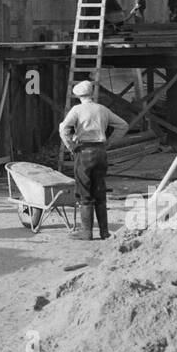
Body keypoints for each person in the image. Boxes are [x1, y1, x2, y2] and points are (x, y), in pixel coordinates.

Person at [58, 79, 129, 241]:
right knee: (99, 191)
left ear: (78, 96)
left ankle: (86, 232)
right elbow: (123, 125)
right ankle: (104, 232)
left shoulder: (77, 110)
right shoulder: (102, 109)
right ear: (91, 93)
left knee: (85, 192)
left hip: (84, 152)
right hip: (101, 152)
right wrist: (110, 142)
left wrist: (71, 146)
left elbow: (63, 129)